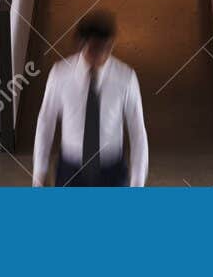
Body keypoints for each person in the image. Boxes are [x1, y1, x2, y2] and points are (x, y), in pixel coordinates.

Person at [32, 11, 148, 187]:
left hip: (112, 171)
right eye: (93, 49)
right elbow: (46, 122)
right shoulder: (60, 74)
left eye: (104, 48)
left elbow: (137, 130)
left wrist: (138, 181)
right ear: (81, 45)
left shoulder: (126, 78)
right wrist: (39, 174)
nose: (99, 55)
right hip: (70, 171)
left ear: (111, 45)